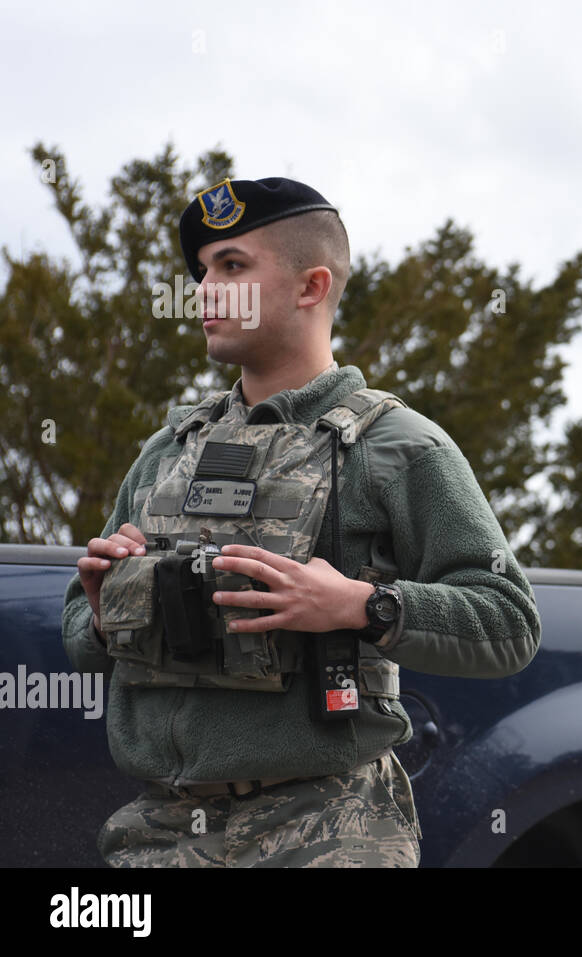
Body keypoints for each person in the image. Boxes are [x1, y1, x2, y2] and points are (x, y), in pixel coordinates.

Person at [62, 176, 542, 867]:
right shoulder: (170, 451)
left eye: (232, 266)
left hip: (326, 828)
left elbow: (509, 621)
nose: (205, 289)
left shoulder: (397, 447)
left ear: (311, 287)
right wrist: (109, 611)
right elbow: (81, 631)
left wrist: (360, 604)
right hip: (162, 833)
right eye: (201, 272)